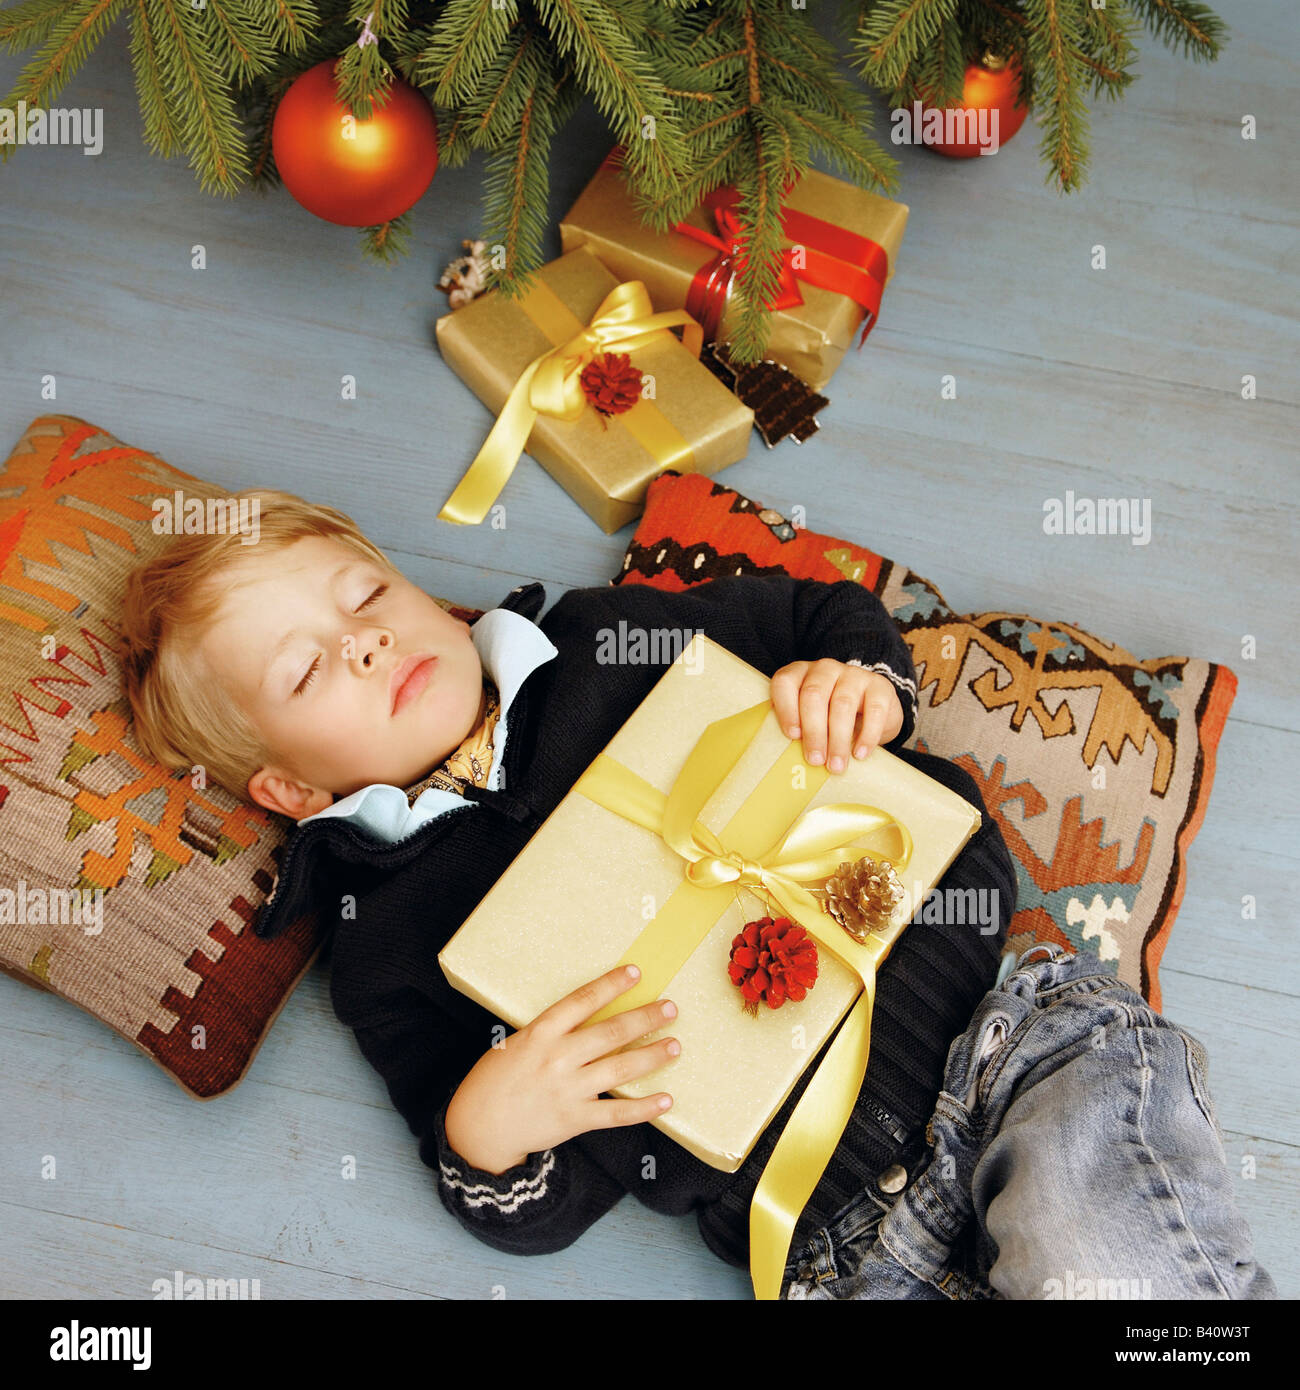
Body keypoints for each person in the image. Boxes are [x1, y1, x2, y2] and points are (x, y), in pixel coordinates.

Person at [124, 486, 1214, 1298]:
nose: (360, 640)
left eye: (363, 593)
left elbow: (813, 613)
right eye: (307, 671)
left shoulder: (603, 638)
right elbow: (530, 1203)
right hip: (832, 1241)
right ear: (288, 784)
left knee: (1103, 1257)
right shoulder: (381, 949)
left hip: (1013, 1040)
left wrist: (855, 685)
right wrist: (488, 1131)